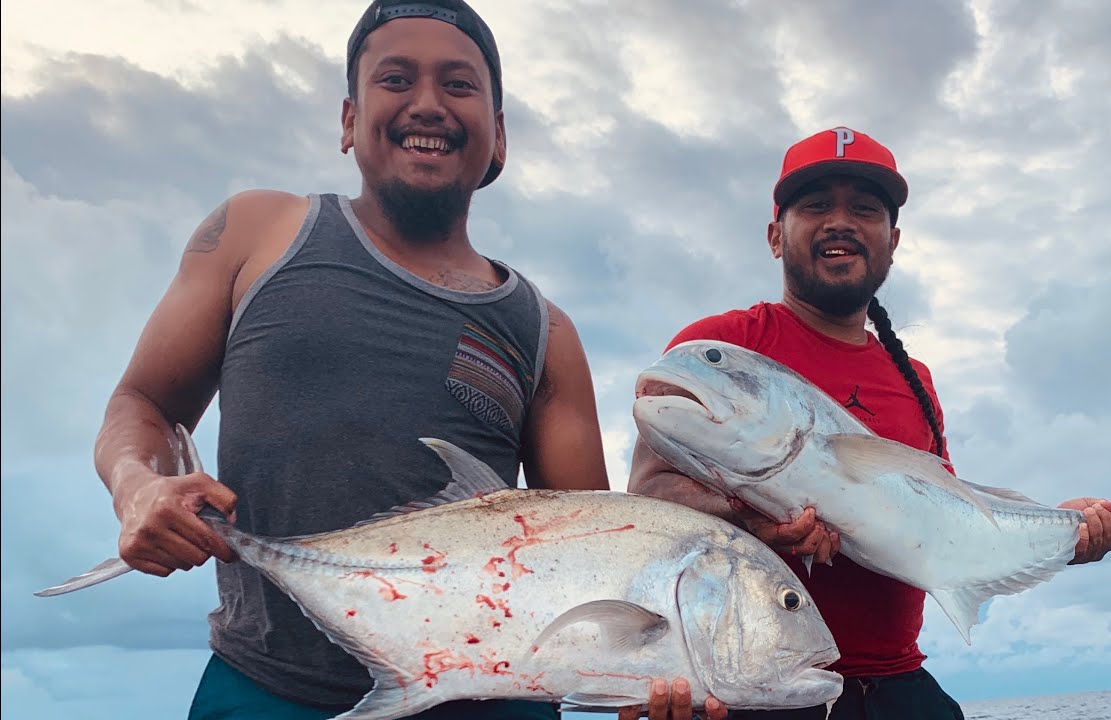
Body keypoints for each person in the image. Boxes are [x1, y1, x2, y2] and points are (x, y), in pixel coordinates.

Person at [91, 2, 716, 718]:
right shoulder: (257, 233)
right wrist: (137, 486)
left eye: (458, 85)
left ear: (499, 135)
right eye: (396, 79)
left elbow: (591, 557)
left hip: (489, 699)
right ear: (350, 119)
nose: (427, 104)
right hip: (268, 688)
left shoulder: (545, 330)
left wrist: (656, 679)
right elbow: (141, 403)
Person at [627, 126, 1111, 719]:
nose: (840, 221)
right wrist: (752, 520)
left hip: (899, 686)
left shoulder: (913, 376)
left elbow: (940, 516)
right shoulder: (723, 349)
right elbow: (648, 495)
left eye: (864, 209)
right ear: (774, 236)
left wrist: (1058, 533)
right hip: (761, 688)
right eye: (815, 205)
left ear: (892, 242)